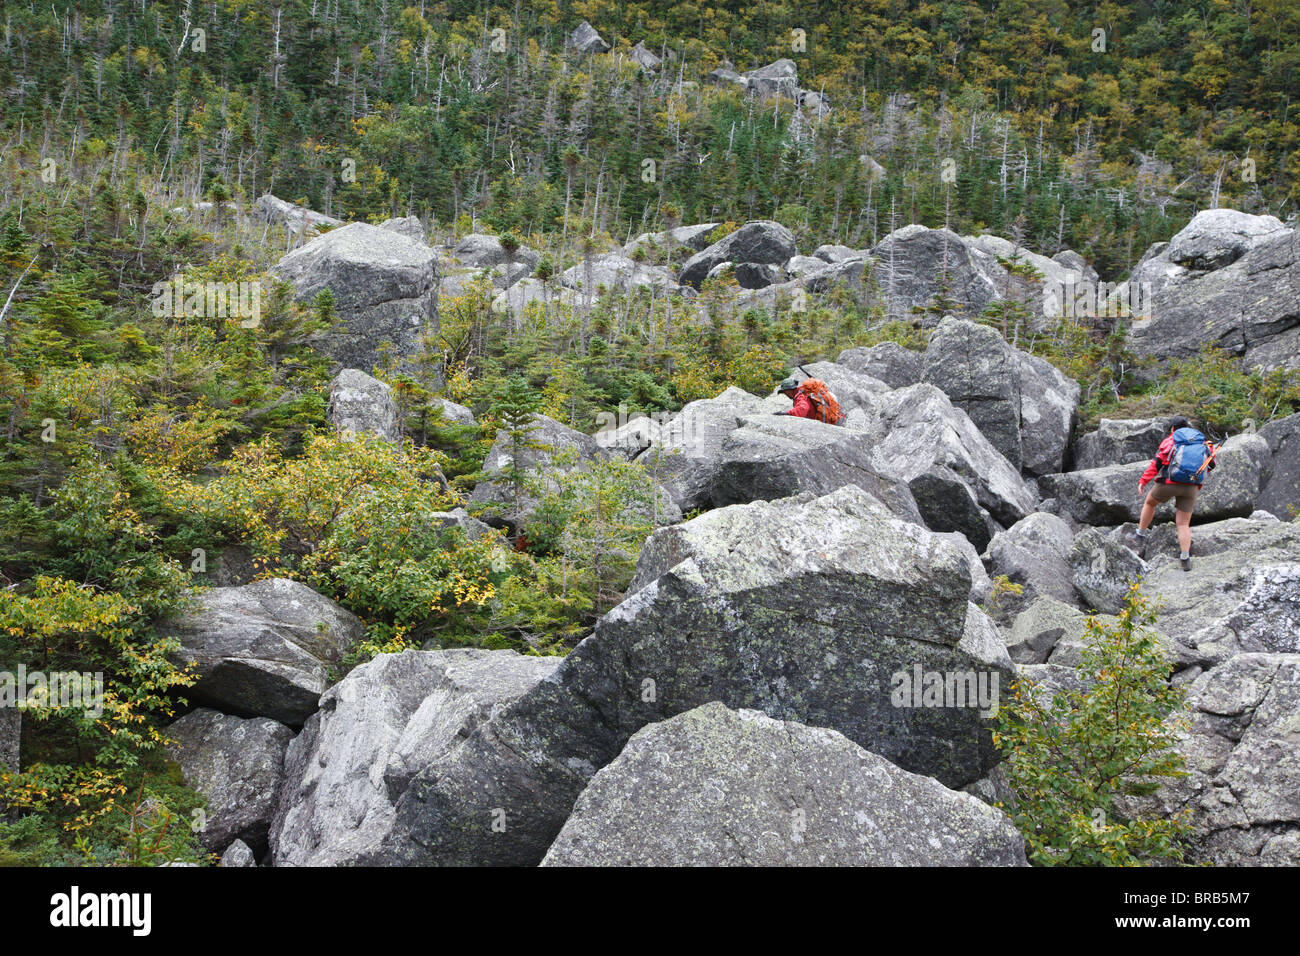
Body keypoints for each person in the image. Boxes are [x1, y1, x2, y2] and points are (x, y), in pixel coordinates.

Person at [1132, 416, 1217, 570]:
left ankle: (1140, 534)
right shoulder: (1202, 444)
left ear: (1172, 429)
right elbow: (1210, 464)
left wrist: (1143, 481)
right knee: (1183, 523)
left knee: (1150, 503)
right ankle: (1185, 557)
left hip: (1169, 483)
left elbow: (1156, 464)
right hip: (1191, 486)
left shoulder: (1170, 441)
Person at [774, 375, 845, 425]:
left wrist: (787, 413)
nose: (786, 394)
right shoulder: (803, 392)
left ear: (788, 391)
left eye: (785, 392)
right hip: (833, 419)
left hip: (828, 423)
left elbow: (803, 408)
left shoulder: (800, 396)